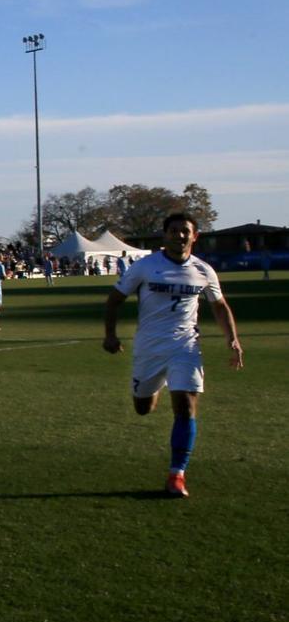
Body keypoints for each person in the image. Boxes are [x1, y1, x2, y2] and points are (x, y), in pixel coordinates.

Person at [104, 211, 244, 498]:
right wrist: (110, 335)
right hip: (149, 347)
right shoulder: (145, 266)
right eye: (174, 230)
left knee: (186, 406)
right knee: (143, 408)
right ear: (165, 235)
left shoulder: (204, 270)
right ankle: (156, 385)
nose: (179, 235)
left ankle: (177, 474)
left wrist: (233, 339)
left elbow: (219, 305)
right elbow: (114, 300)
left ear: (195, 236)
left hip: (186, 345)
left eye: (185, 231)